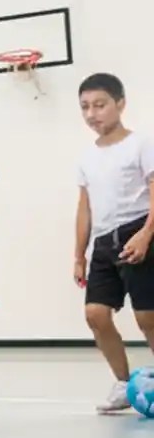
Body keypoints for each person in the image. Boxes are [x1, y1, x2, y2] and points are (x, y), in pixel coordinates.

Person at [74, 72, 154, 413]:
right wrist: (79, 254)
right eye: (85, 107)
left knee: (148, 317)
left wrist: (147, 234)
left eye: (100, 105)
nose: (93, 114)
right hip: (103, 243)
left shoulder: (140, 144)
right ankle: (123, 381)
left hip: (138, 232)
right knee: (95, 314)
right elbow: (85, 207)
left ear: (120, 104)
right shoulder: (86, 157)